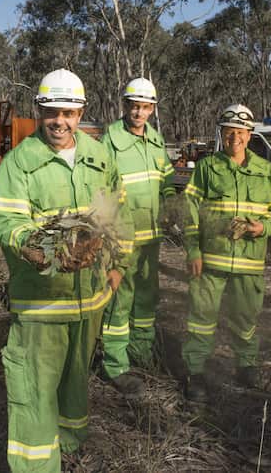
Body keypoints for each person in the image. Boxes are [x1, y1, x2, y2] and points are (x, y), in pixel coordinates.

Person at [0, 68, 134, 472]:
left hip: (89, 300)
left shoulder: (99, 156)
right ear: (39, 111)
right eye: (52, 112)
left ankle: (69, 444)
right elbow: (7, 223)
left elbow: (118, 212)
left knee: (75, 380)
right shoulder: (20, 163)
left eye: (68, 113)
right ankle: (37, 465)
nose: (60, 121)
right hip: (41, 302)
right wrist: (36, 249)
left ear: (80, 113)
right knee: (34, 389)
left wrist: (119, 264)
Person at [181, 104, 271, 404]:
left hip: (249, 262)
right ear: (222, 134)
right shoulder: (207, 167)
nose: (235, 138)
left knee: (246, 317)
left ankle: (246, 366)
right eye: (229, 132)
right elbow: (190, 209)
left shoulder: (266, 171)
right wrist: (193, 249)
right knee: (201, 318)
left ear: (250, 134)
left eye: (241, 132)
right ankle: (195, 372)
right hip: (210, 260)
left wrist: (263, 227)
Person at [99, 78, 175, 397]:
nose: (139, 112)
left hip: (151, 239)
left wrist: (170, 202)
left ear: (152, 109)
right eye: (134, 106)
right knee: (119, 301)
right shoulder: (110, 140)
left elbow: (166, 180)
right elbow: (100, 189)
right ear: (125, 105)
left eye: (145, 107)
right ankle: (115, 366)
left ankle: (141, 355)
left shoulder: (156, 141)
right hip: (121, 241)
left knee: (146, 299)